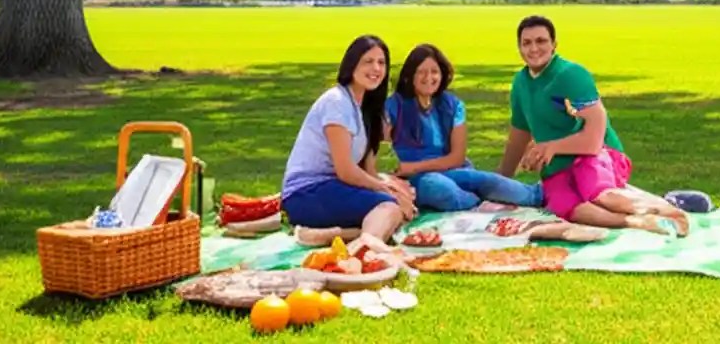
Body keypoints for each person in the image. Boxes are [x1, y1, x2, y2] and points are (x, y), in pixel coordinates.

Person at [498, 15, 690, 236]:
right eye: (527, 43)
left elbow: (593, 142)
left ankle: (666, 212)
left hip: (597, 154)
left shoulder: (571, 75)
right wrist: (502, 180)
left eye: (541, 41)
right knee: (565, 207)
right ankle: (637, 222)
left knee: (597, 193)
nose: (534, 48)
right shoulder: (520, 83)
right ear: (519, 48)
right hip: (558, 166)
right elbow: (519, 133)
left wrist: (549, 147)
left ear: (554, 45)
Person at [281, 35, 416, 243]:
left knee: (402, 207)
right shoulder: (337, 102)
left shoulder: (366, 109)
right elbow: (345, 171)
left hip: (334, 187)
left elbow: (367, 172)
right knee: (390, 207)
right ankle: (368, 247)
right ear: (352, 64)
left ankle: (331, 236)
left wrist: (396, 188)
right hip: (306, 194)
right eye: (368, 62)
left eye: (381, 63)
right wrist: (389, 192)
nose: (376, 69)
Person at [385, 43, 543, 211]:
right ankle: (479, 205)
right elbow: (376, 139)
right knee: (439, 188)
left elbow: (456, 158)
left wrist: (412, 167)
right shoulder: (395, 105)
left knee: (488, 180)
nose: (428, 77)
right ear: (410, 76)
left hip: (452, 169)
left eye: (434, 72)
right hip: (421, 179)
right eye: (422, 72)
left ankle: (540, 194)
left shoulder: (452, 105)